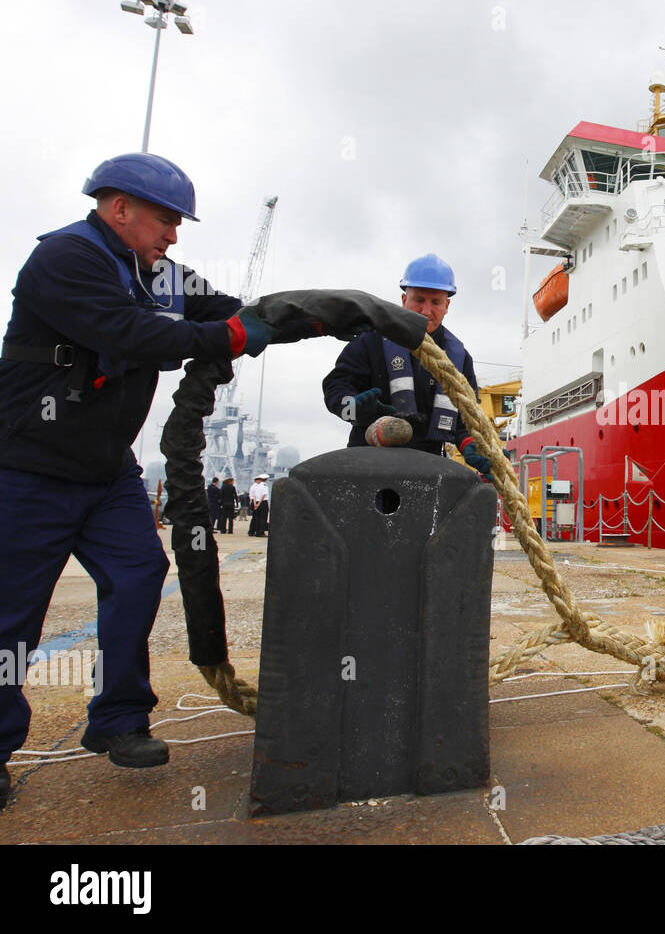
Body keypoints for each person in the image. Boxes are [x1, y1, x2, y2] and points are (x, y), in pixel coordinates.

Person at [0, 152, 289, 805]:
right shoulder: (65, 260)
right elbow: (127, 333)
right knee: (12, 611)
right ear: (118, 208)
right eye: (166, 219)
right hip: (29, 467)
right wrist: (231, 334)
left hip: (107, 469)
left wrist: (279, 318)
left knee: (137, 574)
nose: (174, 234)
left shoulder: (158, 271)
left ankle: (119, 719)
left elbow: (220, 306)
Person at [321, 252, 492, 476]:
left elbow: (466, 415)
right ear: (404, 300)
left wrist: (471, 443)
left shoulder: (458, 357)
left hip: (427, 469)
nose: (426, 311)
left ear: (447, 305)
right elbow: (336, 387)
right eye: (419, 300)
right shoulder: (371, 341)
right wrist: (353, 408)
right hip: (367, 465)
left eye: (436, 302)